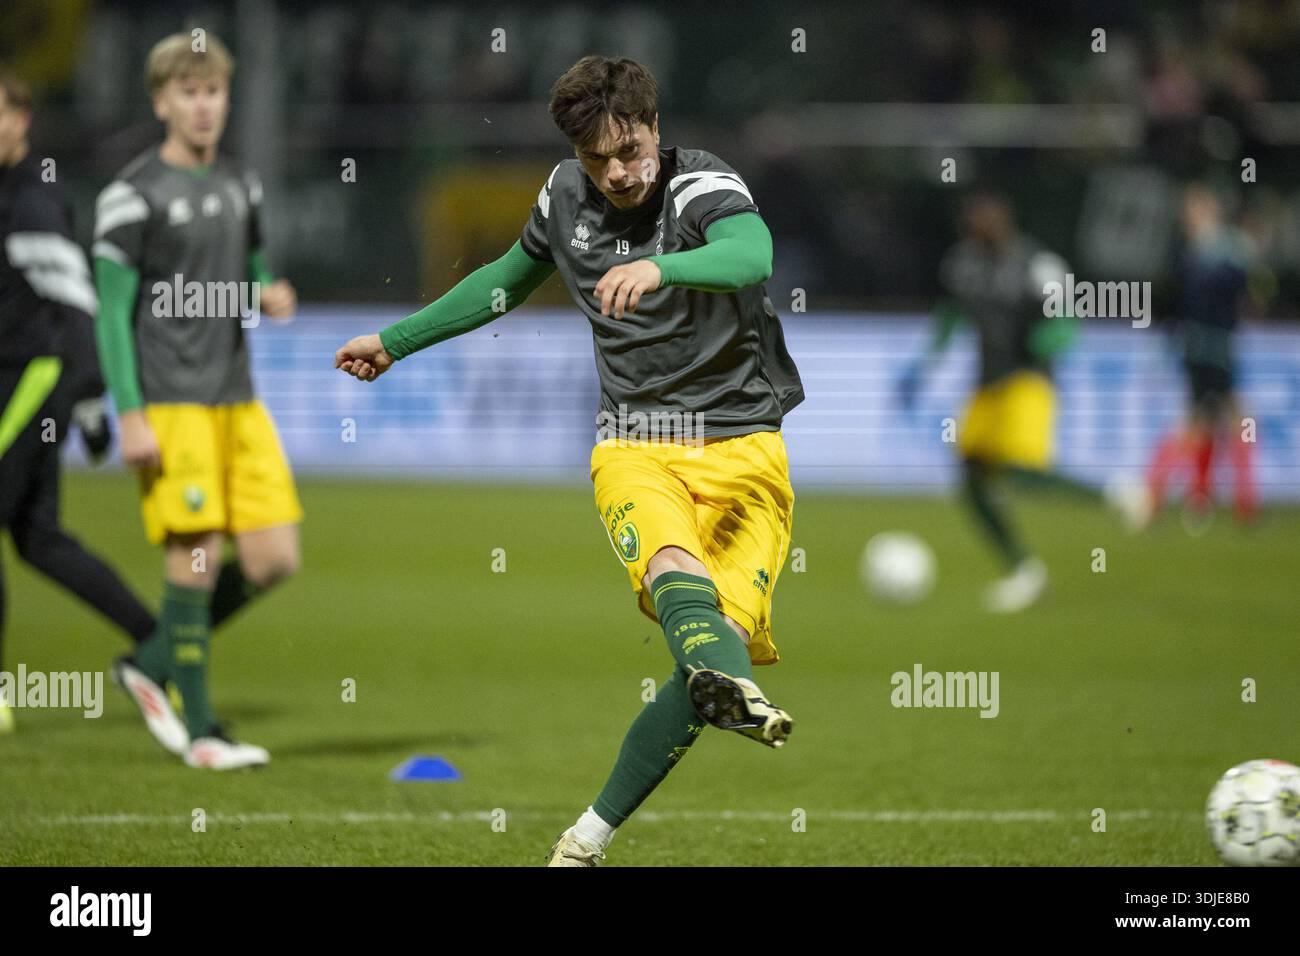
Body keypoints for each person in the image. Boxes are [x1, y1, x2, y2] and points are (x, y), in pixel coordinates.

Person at [335, 55, 804, 865]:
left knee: (714, 656)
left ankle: (585, 842)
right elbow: (504, 283)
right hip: (636, 446)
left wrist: (662, 264)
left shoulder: (701, 187)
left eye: (630, 151)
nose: (617, 172)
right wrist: (395, 341)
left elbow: (752, 256)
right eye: (597, 159)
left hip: (746, 446)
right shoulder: (563, 197)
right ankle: (716, 693)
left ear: (656, 128)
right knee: (669, 567)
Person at [93, 34, 301, 768]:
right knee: (199, 557)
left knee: (275, 557)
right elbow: (111, 315)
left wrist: (269, 293)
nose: (203, 104)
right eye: (187, 91)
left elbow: (253, 270)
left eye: (212, 91)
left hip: (237, 399)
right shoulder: (131, 196)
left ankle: (149, 662)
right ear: (160, 102)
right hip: (172, 402)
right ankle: (204, 730)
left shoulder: (242, 184)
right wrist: (130, 414)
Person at [0, 67, 156, 733]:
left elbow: (76, 298)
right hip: (22, 377)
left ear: (21, 118)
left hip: (29, 379)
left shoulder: (31, 200)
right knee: (39, 539)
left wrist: (90, 397)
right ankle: (161, 645)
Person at [899, 192, 1097, 613]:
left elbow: (1067, 323)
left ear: (1004, 223)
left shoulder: (1039, 265)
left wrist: (1044, 341)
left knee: (1020, 469)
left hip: (1028, 381)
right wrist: (923, 365)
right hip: (987, 386)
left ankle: (1114, 497)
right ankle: (1025, 569)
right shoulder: (963, 264)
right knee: (972, 474)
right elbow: (951, 317)